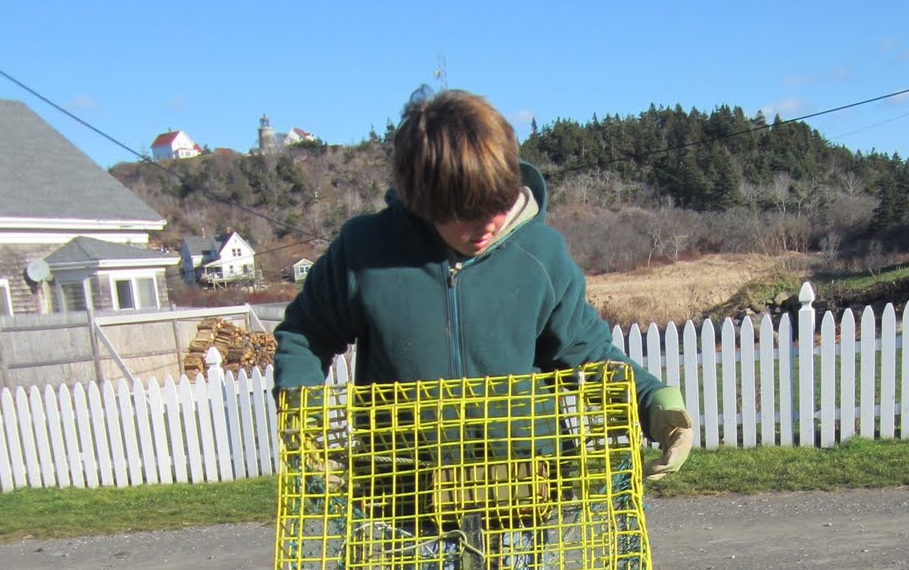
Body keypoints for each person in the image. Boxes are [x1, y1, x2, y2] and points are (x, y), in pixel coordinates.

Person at [272, 88, 693, 476]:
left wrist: (654, 403)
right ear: (423, 202)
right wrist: (302, 417)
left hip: (525, 490)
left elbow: (588, 355)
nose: (489, 223)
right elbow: (306, 334)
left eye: (498, 203)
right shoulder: (366, 252)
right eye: (466, 214)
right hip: (405, 493)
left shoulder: (540, 254)